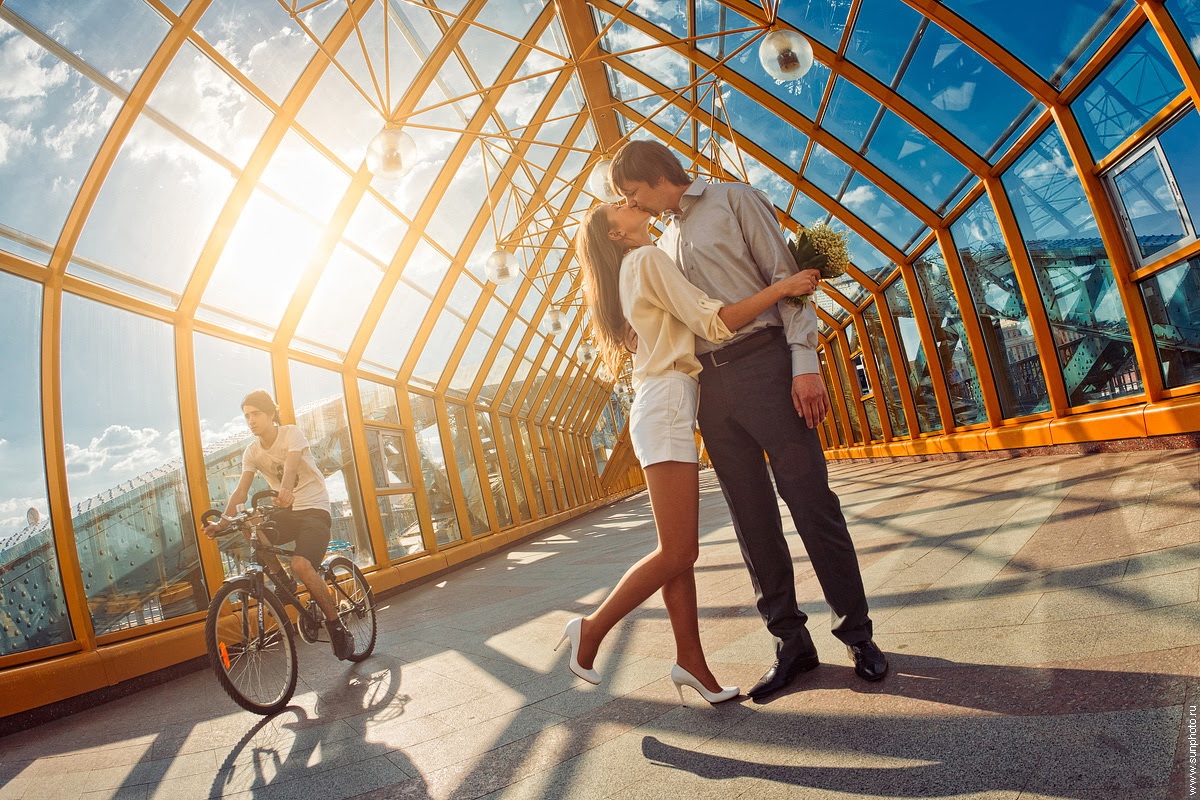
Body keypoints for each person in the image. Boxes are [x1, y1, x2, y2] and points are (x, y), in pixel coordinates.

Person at [609, 140, 889, 699]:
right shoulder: (661, 241)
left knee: (811, 501)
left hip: (766, 365)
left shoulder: (734, 199)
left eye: (630, 190)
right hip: (710, 387)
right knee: (751, 520)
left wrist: (804, 365)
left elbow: (790, 280)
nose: (629, 201)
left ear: (653, 174)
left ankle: (857, 634)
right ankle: (791, 643)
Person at [556, 201, 819, 704]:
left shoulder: (631, 271)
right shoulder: (648, 259)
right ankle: (589, 630)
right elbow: (714, 322)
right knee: (678, 550)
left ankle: (690, 661)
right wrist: (782, 287)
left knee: (675, 548)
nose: (632, 203)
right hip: (668, 402)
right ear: (615, 231)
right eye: (621, 204)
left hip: (662, 402)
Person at [203, 390, 355, 661]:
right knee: (248, 523)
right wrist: (221, 522)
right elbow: (241, 491)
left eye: (256, 414)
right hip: (285, 511)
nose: (251, 420)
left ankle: (337, 626)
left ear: (271, 413)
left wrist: (285, 491)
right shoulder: (251, 452)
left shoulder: (291, 434)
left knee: (301, 564)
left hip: (313, 508)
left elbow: (291, 467)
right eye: (246, 416)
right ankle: (282, 580)